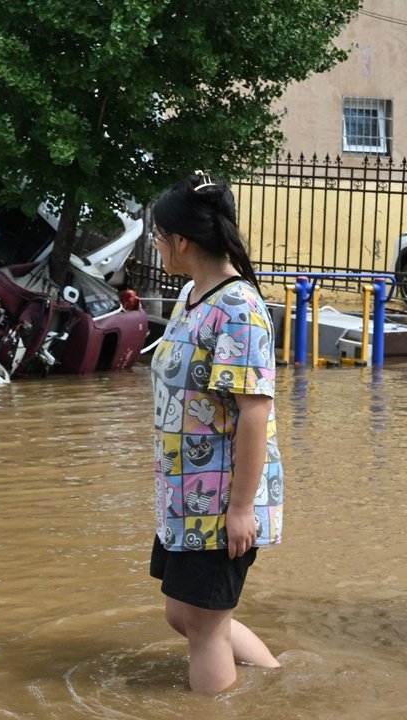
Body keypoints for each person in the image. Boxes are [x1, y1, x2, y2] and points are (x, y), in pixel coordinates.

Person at [148, 172, 283, 694]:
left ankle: (217, 705)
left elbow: (254, 413)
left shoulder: (239, 310)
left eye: (158, 237)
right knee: (183, 613)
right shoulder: (191, 295)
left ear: (180, 241)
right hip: (184, 492)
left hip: (220, 499)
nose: (157, 246)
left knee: (203, 626)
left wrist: (241, 509)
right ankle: (274, 682)